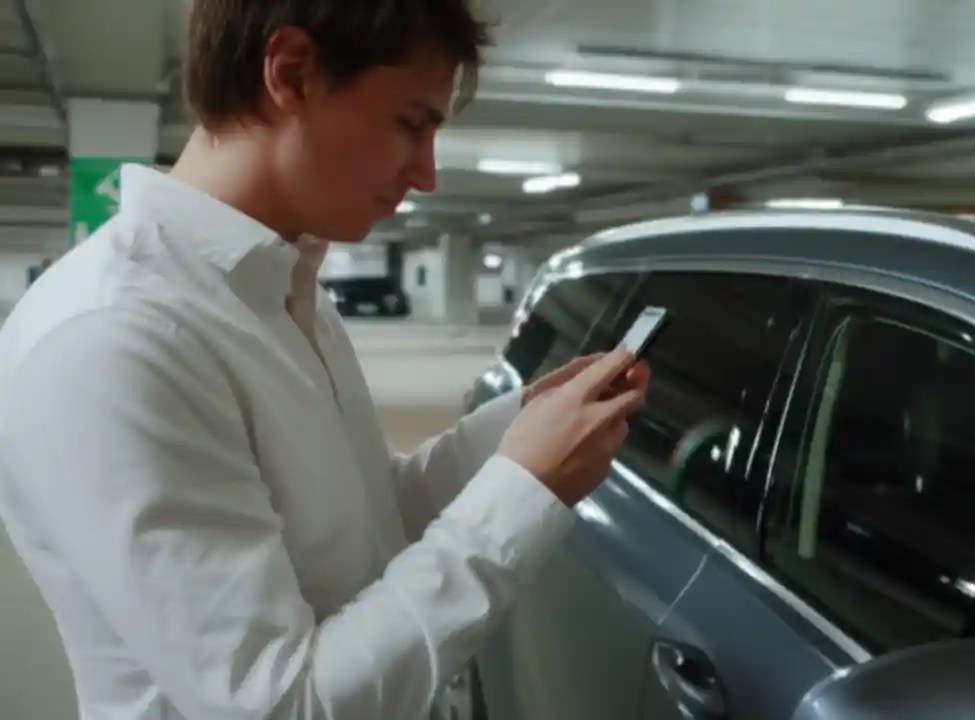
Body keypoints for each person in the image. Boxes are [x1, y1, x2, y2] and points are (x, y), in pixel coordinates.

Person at [0, 1, 648, 718]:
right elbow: (283, 704)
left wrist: (514, 433)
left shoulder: (278, 290)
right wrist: (523, 491)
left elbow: (363, 527)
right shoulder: (116, 338)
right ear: (293, 73)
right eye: (412, 123)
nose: (427, 174)